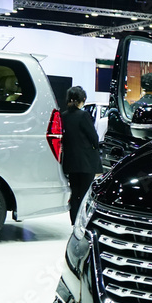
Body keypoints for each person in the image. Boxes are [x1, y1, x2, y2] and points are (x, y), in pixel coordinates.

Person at [61, 86, 102, 224]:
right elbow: (93, 137)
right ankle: (82, 221)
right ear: (83, 100)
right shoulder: (83, 115)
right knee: (85, 193)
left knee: (75, 192)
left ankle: (73, 220)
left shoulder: (63, 116)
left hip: (71, 160)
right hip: (86, 161)